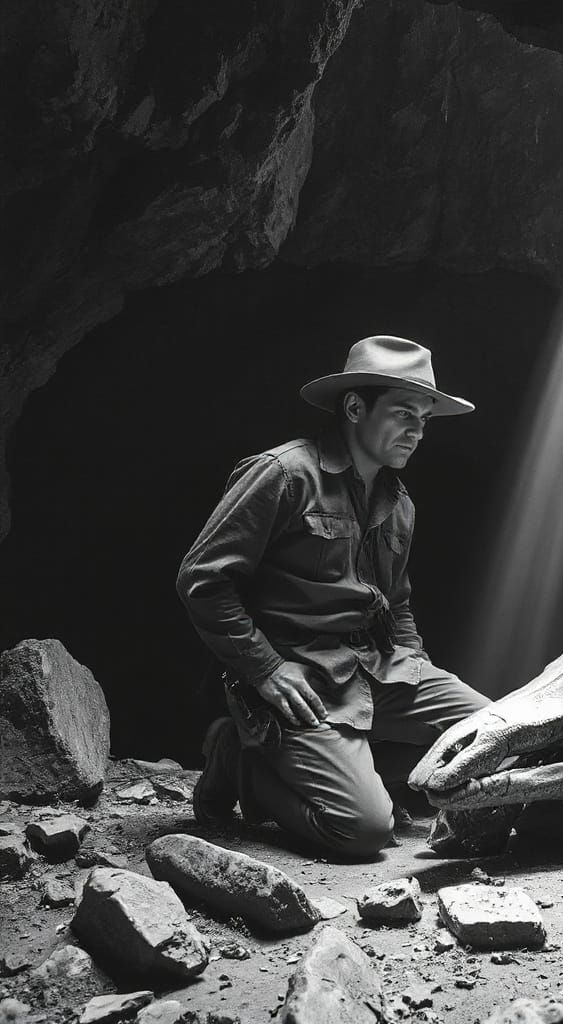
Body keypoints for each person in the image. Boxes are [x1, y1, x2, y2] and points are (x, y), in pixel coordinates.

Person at [176, 335, 489, 858]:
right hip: (300, 679)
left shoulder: (399, 503)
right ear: (354, 408)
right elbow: (202, 579)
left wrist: (416, 666)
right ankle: (238, 759)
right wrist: (266, 670)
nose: (417, 431)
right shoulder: (284, 474)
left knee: (496, 735)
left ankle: (355, 773)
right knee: (364, 830)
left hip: (378, 670)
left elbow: (398, 601)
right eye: (404, 413)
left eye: (424, 419)